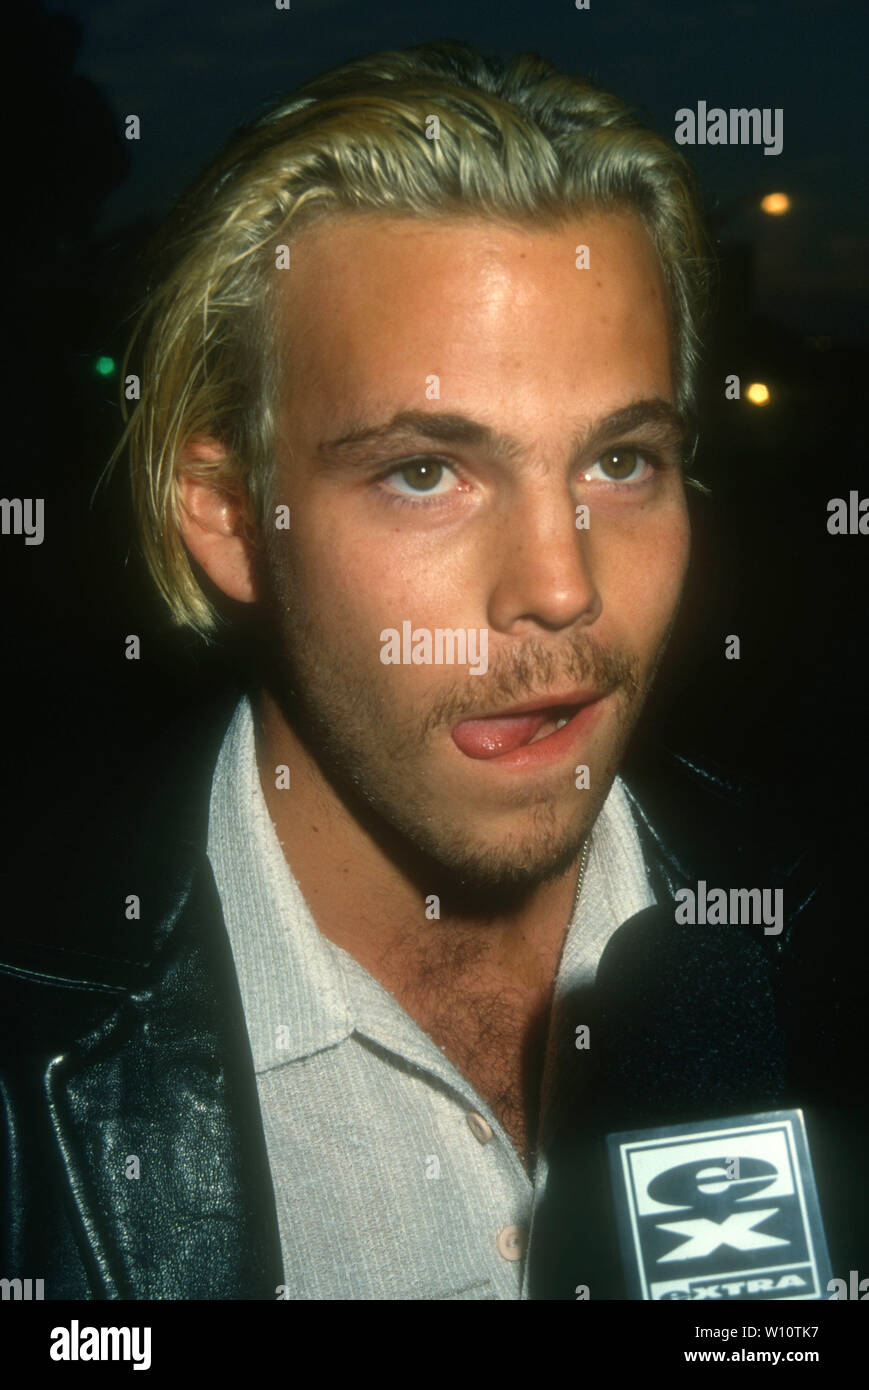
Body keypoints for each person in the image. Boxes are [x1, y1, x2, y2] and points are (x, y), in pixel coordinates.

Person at [1, 40, 864, 1302]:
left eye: (619, 461)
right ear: (229, 515)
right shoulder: (32, 1045)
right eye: (424, 472)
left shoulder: (827, 937)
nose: (560, 586)